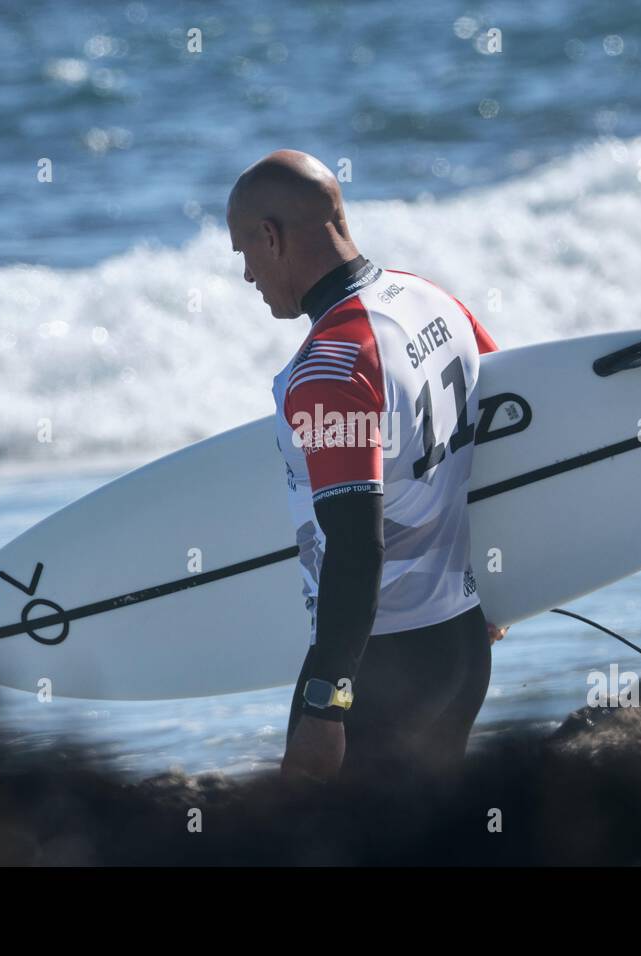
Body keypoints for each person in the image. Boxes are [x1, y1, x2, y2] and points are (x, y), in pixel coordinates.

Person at [226, 150, 508, 785]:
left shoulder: (332, 368)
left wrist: (326, 704)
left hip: (381, 666)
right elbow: (509, 441)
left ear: (271, 237)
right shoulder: (432, 301)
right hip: (463, 647)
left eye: (244, 251)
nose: (247, 275)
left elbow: (356, 547)